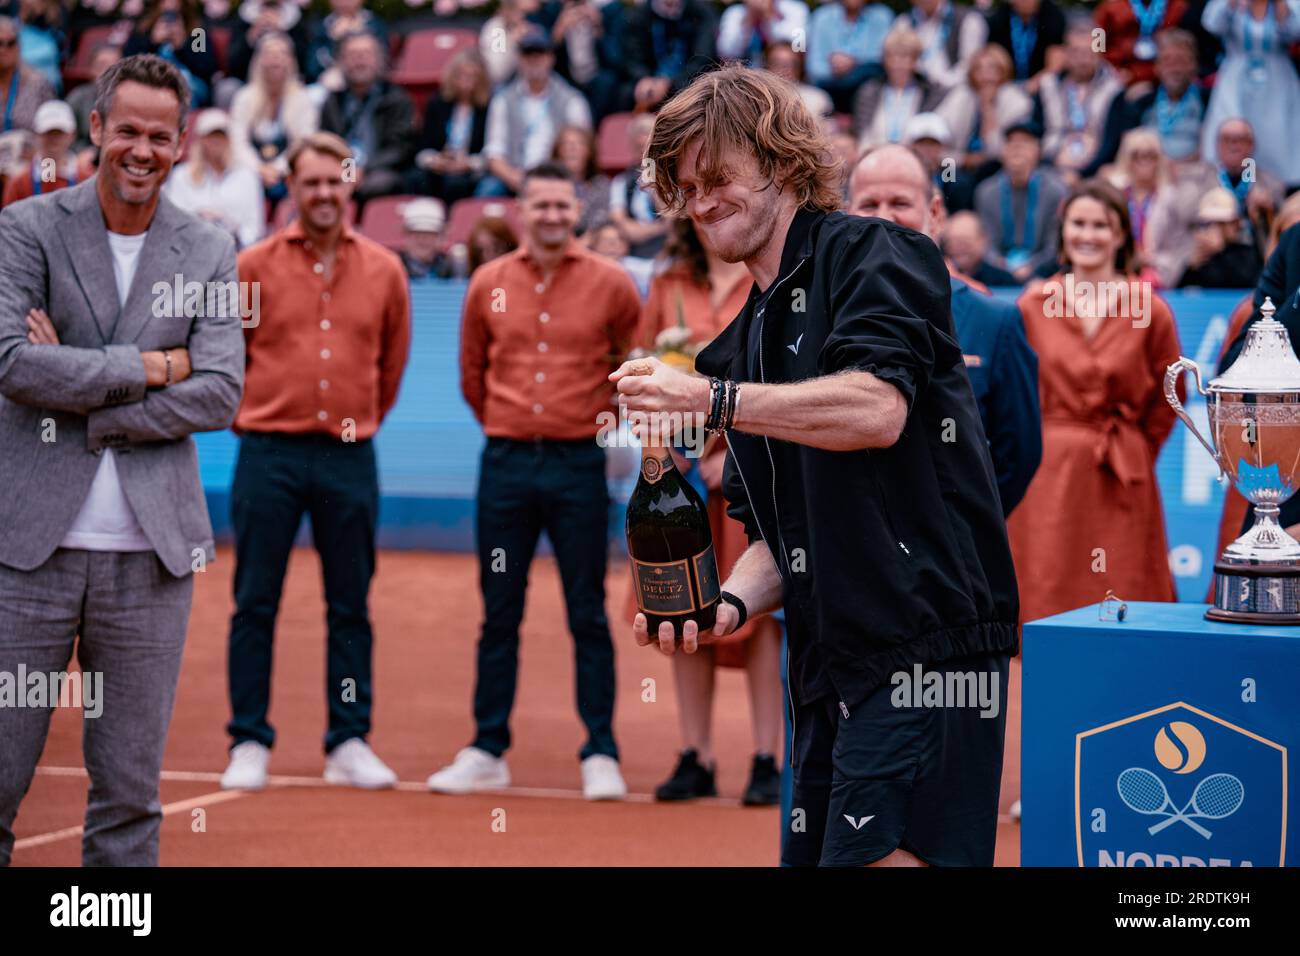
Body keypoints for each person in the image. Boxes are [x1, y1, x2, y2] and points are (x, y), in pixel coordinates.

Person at [618, 64, 1019, 867]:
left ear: (781, 162)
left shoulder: (880, 253)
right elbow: (779, 535)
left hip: (927, 652)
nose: (701, 202)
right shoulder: (739, 342)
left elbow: (877, 411)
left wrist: (711, 400)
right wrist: (728, 606)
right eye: (684, 186)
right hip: (827, 665)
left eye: (719, 177)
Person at [0, 53, 245, 866]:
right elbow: (11, 364)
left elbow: (217, 394)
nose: (142, 150)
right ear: (96, 129)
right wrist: (144, 366)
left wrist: (79, 382)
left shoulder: (210, 249)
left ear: (180, 146)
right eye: (127, 131)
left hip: (152, 560)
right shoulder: (26, 228)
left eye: (160, 136)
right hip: (26, 553)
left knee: (129, 799)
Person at [436, 161, 640, 800]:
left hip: (579, 464)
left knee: (587, 610)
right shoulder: (488, 282)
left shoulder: (613, 285)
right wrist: (512, 421)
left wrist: (594, 425)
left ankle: (601, 750)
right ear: (521, 209)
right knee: (500, 611)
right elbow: (474, 372)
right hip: (507, 464)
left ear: (577, 210)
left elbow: (629, 365)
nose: (551, 215)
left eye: (561, 205)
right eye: (539, 204)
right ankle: (487, 746)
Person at [220, 131, 412, 792]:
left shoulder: (386, 270)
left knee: (350, 603)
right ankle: (248, 738)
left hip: (348, 457)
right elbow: (230, 355)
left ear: (351, 185)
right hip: (267, 452)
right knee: (254, 600)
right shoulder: (251, 266)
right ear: (292, 189)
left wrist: (359, 421)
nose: (324, 194)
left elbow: (391, 364)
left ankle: (349, 738)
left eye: (335, 181)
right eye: (311, 183)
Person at [634, 217, 785, 805]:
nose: (709, 215)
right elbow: (643, 376)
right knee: (680, 609)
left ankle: (766, 757)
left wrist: (737, 461)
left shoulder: (770, 277)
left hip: (752, 475)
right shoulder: (667, 283)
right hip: (681, 482)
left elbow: (785, 384)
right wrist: (665, 454)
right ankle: (695, 753)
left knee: (760, 617)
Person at [1009, 179, 1182, 624]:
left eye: (1100, 225)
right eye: (1078, 223)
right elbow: (1013, 393)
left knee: (1127, 587)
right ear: (1063, 230)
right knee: (1046, 585)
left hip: (1121, 473)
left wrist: (1137, 452)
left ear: (1121, 233)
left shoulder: (1152, 309)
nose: (1088, 235)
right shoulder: (1033, 303)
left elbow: (1171, 394)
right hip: (1049, 474)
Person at [849, 143, 1042, 516]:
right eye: (869, 205)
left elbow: (1019, 454)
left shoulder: (994, 320)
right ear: (846, 215)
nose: (884, 218)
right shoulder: (819, 314)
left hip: (957, 560)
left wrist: (966, 531)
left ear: (934, 213)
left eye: (900, 203)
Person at [1199, 0, 1300, 190]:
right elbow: (1211, 23)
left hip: (1277, 82)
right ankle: (1233, 188)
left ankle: (1272, 191)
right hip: (1236, 78)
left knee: (1276, 140)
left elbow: (1294, 31)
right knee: (1234, 132)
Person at [478, 27, 590, 198]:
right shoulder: (502, 100)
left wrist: (551, 180)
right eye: (528, 54)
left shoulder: (572, 100)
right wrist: (517, 179)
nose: (534, 59)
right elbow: (494, 153)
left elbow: (581, 150)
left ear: (551, 58)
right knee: (489, 190)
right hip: (515, 176)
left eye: (540, 53)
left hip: (558, 176)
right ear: (519, 58)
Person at [318, 30, 413, 206]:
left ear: (379, 60)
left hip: (379, 170)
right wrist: (349, 170)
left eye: (366, 54)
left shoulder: (395, 98)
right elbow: (326, 143)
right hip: (342, 169)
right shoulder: (333, 101)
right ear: (341, 61)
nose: (359, 60)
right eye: (352, 55)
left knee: (379, 184)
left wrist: (364, 169)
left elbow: (400, 149)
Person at [934, 42, 1034, 209]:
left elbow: (997, 151)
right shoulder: (960, 96)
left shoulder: (1017, 102)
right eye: (980, 69)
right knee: (950, 177)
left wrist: (988, 109)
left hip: (998, 164)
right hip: (959, 160)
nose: (986, 75)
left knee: (987, 175)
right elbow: (938, 135)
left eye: (992, 69)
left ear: (1003, 71)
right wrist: (964, 159)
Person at [1096, 28, 1208, 170]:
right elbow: (1126, 147)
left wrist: (1176, 168)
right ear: (1157, 67)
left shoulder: (1207, 100)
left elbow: (1209, 149)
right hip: (1147, 173)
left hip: (1191, 173)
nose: (1174, 68)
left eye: (1181, 60)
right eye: (1167, 60)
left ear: (1194, 65)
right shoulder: (1141, 100)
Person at [228, 30, 319, 206]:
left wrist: (278, 169)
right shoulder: (244, 97)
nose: (275, 59)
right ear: (259, 60)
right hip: (250, 172)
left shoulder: (303, 99)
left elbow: (303, 142)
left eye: (282, 54)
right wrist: (258, 169)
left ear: (291, 61)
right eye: (269, 54)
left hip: (288, 172)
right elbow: (236, 142)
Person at [974, 120, 1069, 282]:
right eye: (1011, 142)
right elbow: (986, 241)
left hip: (1043, 268)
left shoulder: (1056, 190)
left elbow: (1055, 243)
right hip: (999, 268)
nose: (1017, 148)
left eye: (1025, 142)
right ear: (1002, 151)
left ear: (1038, 151)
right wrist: (1000, 263)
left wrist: (1032, 265)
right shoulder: (986, 191)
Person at [1035, 14, 1124, 180]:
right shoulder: (1047, 86)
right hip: (1051, 165)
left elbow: (1111, 141)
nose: (1083, 59)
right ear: (1066, 54)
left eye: (1089, 52)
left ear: (1100, 53)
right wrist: (1053, 162)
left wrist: (1081, 174)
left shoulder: (1114, 88)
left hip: (1097, 167)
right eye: (1076, 52)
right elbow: (1038, 133)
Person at [163, 108, 264, 249]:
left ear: (229, 139)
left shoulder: (247, 177)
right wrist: (200, 217)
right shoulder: (182, 176)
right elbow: (174, 222)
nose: (216, 142)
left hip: (234, 251)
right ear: (201, 140)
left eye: (221, 136)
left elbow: (254, 230)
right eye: (211, 136)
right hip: (192, 250)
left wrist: (228, 224)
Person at [528, 0, 630, 123]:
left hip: (600, 81)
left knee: (609, 84)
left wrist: (599, 29)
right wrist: (557, 33)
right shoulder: (548, 12)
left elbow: (619, 60)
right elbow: (535, 53)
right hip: (563, 81)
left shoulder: (610, 10)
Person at [1103, 127, 1181, 285]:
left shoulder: (1170, 197)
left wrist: (1150, 259)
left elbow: (1177, 248)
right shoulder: (1113, 192)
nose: (1144, 162)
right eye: (1137, 155)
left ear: (1159, 160)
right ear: (1127, 159)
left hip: (1155, 270)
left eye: (1150, 156)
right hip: (1116, 265)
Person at [414, 48, 490, 205]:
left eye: (472, 76)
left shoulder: (486, 109)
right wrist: (435, 160)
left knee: (455, 184)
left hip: (469, 169)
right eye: (461, 75)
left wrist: (468, 163)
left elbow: (490, 152)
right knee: (416, 178)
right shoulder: (437, 104)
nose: (466, 81)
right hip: (439, 165)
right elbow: (423, 147)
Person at [853, 27, 944, 147]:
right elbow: (863, 133)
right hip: (875, 151)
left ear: (915, 60)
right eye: (892, 57)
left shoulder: (930, 92)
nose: (898, 63)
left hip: (914, 154)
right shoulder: (869, 90)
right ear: (884, 60)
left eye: (905, 57)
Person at [624, 0, 719, 113]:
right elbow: (633, 56)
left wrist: (669, 84)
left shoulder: (700, 13)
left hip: (688, 82)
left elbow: (703, 58)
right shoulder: (640, 15)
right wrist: (642, 77)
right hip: (649, 81)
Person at [123, 0, 219, 107]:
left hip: (190, 83)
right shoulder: (144, 29)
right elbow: (128, 64)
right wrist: (152, 43)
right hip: (150, 80)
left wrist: (181, 47)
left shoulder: (197, 31)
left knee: (184, 88)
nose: (171, 4)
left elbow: (205, 69)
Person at [806, 0, 893, 114]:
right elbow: (814, 67)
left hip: (867, 90)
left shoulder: (881, 17)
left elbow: (882, 59)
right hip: (828, 88)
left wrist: (854, 62)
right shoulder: (822, 17)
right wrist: (836, 69)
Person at [891, 0, 988, 91]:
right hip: (916, 92)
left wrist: (943, 84)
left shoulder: (969, 20)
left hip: (955, 90)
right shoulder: (904, 22)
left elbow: (970, 65)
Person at [1177, 185, 1264, 287]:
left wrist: (1220, 251)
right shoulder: (1201, 257)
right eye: (1208, 224)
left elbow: (1245, 283)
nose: (1215, 229)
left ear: (1236, 223)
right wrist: (1191, 267)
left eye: (1221, 223)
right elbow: (1181, 293)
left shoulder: (1246, 253)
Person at [608, 112, 668, 258]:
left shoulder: (672, 177)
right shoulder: (621, 181)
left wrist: (654, 183)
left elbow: (671, 218)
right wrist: (657, 229)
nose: (643, 150)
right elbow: (619, 221)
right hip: (631, 253)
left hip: (666, 251)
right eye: (638, 146)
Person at [0, 97, 78, 206]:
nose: (53, 139)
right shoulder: (19, 183)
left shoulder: (87, 179)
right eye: (47, 133)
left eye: (59, 133)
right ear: (36, 135)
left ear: (72, 135)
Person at [1094, 0, 1190, 87]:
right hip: (1122, 77)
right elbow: (1096, 40)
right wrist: (1112, 69)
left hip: (1167, 78)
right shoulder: (1112, 6)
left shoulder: (1177, 6)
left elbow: (1190, 47)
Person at [302, 0, 387, 86]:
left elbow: (385, 60)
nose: (344, 1)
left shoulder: (377, 25)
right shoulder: (319, 28)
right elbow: (312, 66)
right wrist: (332, 40)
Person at [986, 0, 1067, 89]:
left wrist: (1033, 85)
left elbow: (1056, 62)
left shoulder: (1053, 16)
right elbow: (993, 53)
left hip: (1041, 86)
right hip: (1007, 85)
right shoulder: (999, 17)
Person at [224, 0, 308, 84]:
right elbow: (233, 62)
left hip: (288, 80)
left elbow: (304, 60)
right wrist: (252, 35)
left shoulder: (296, 22)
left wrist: (281, 31)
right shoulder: (244, 21)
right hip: (248, 80)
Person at [0, 14, 55, 133]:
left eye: (11, 43)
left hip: (30, 149)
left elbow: (52, 125)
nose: (4, 49)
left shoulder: (38, 83)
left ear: (19, 46)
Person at [716, 0, 809, 69]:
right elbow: (725, 53)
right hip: (743, 77)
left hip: (782, 76)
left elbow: (799, 48)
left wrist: (769, 17)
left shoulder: (797, 9)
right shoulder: (734, 13)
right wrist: (749, 19)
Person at [551, 122, 607, 236]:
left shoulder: (601, 184)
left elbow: (601, 222)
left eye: (579, 144)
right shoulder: (547, 185)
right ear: (558, 152)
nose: (572, 149)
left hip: (592, 245)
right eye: (566, 144)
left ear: (589, 151)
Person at [942, 209, 1023, 287]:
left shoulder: (1004, 281)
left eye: (965, 242)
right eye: (952, 242)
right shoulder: (940, 278)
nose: (958, 249)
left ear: (982, 240)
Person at [67, 40, 120, 153]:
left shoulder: (130, 100)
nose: (108, 72)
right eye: (102, 65)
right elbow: (66, 139)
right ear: (92, 69)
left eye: (114, 67)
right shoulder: (78, 98)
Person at [765, 40, 833, 118]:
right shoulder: (758, 100)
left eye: (790, 64)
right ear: (766, 66)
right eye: (776, 63)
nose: (783, 70)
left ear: (800, 68)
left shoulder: (818, 99)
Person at [479, 0, 540, 88]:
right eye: (518, 11)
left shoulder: (517, 26)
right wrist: (512, 42)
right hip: (497, 86)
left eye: (523, 12)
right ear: (507, 11)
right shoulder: (496, 30)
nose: (522, 16)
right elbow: (498, 72)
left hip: (518, 84)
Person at [398, 196, 453, 279]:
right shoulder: (394, 266)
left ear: (441, 237)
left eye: (429, 234)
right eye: (417, 234)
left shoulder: (452, 268)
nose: (422, 239)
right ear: (406, 236)